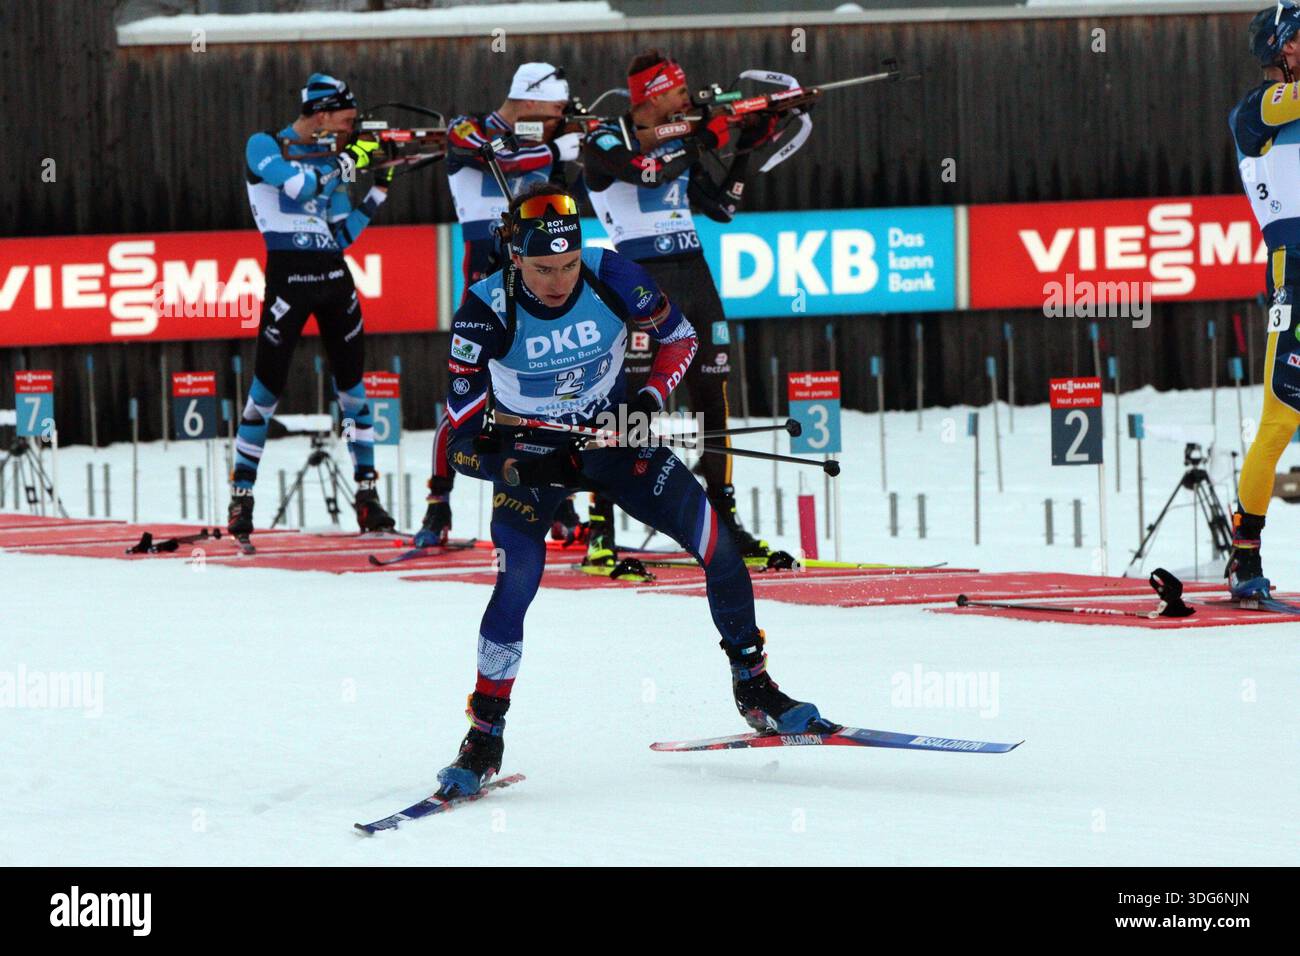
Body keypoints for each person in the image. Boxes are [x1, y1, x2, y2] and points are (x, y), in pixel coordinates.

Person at [434, 183, 826, 796]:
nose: (558, 280)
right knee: (516, 582)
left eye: (567, 265)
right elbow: (459, 439)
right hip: (535, 457)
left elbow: (683, 338)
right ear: (515, 257)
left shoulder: (608, 271)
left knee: (719, 548)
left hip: (615, 438)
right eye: (543, 268)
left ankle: (755, 686)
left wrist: (644, 401)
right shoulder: (484, 311)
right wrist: (511, 467)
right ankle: (484, 734)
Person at [579, 49, 787, 564]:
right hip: (640, 280)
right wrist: (701, 139)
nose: (687, 98)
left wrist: (744, 146)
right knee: (628, 406)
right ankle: (600, 527)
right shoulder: (605, 137)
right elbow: (644, 173)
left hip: (694, 275)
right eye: (677, 90)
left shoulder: (679, 142)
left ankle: (723, 516)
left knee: (712, 400)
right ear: (652, 96)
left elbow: (722, 208)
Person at [415, 62, 585, 548]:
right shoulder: (470, 130)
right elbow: (498, 156)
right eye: (553, 110)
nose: (557, 120)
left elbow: (554, 195)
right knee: (466, 391)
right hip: (483, 279)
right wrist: (553, 147)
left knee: (545, 388)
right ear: (529, 99)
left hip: (530, 274)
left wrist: (562, 153)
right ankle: (437, 505)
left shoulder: (543, 140)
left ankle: (559, 501)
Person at [231, 73, 396, 537]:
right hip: (288, 277)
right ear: (320, 113)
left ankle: (368, 495)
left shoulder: (331, 156)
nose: (349, 130)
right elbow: (298, 187)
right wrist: (341, 163)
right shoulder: (264, 144)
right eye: (345, 120)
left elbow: (342, 235)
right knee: (265, 391)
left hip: (332, 278)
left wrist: (377, 191)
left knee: (354, 392)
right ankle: (241, 497)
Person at [1227, 2, 1300, 598]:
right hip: (1294, 270)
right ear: (1279, 50)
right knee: (1279, 421)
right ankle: (1244, 562)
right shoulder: (1256, 109)